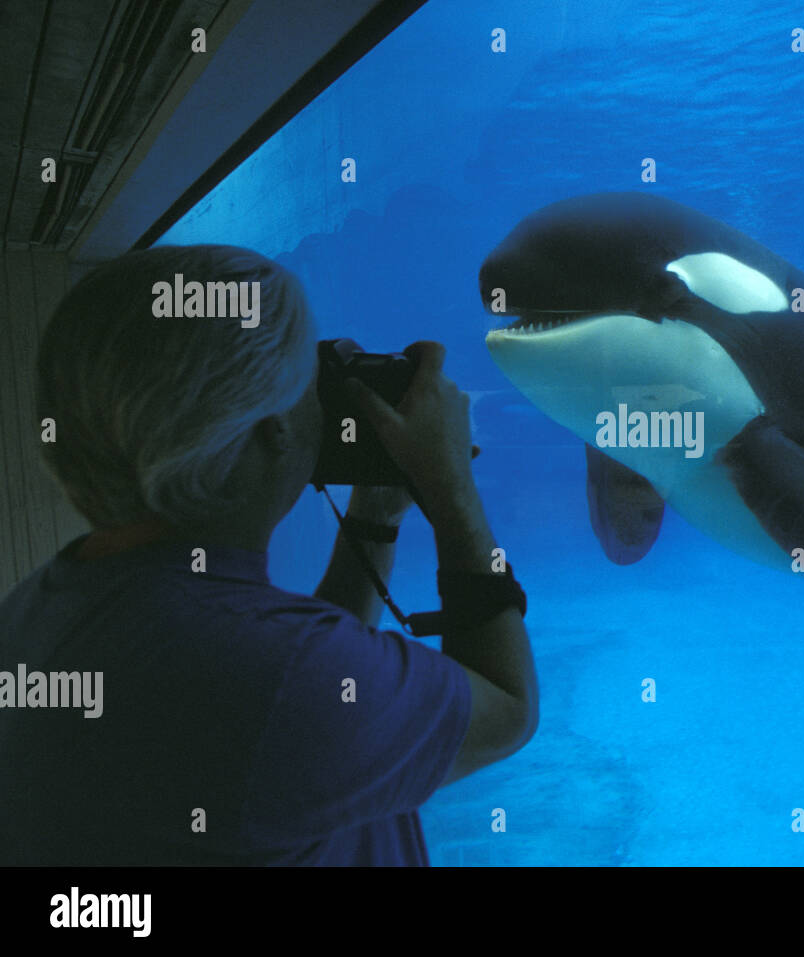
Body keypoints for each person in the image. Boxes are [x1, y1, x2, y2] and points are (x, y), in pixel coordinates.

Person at [0, 244, 538, 865]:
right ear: (270, 429)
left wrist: (374, 516)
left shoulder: (45, 608)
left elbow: (296, 692)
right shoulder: (267, 672)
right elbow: (508, 710)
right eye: (311, 380)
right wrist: (453, 493)